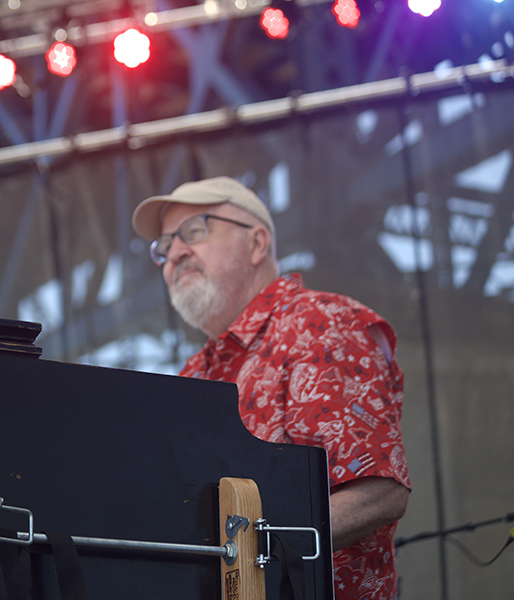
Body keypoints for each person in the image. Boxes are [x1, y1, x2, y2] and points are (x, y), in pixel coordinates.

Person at [132, 176, 410, 600]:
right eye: (165, 246)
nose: (176, 253)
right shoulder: (193, 371)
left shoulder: (320, 324)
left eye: (194, 231)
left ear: (258, 243)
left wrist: (250, 551)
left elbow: (378, 491)